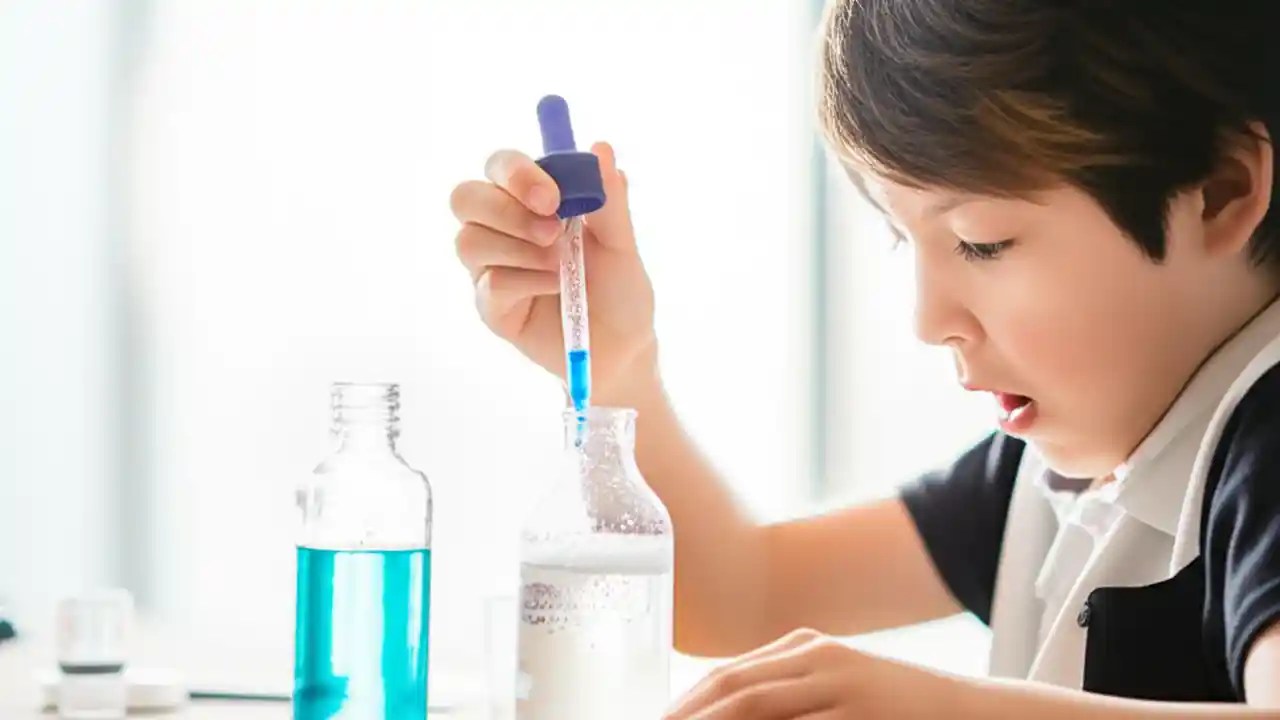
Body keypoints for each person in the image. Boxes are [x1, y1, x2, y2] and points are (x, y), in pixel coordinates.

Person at [449, 1, 1280, 717]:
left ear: (1219, 190)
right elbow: (739, 594)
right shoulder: (1073, 465)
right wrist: (620, 362)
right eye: (898, 234)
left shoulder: (1262, 438)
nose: (928, 319)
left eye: (981, 242)